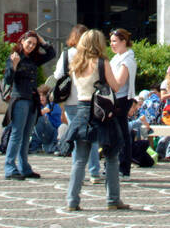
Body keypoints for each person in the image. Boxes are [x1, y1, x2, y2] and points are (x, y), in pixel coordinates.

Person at [62, 28, 129, 211]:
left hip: (82, 110)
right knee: (112, 156)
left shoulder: (76, 64)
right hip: (101, 112)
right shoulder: (102, 62)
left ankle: (72, 200)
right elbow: (114, 86)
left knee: (79, 159)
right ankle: (113, 199)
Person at [2, 29, 56, 180]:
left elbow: (52, 53)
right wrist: (13, 65)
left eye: (34, 44)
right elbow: (7, 79)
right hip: (19, 99)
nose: (31, 46)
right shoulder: (14, 57)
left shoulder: (34, 59)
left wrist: (41, 39)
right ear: (22, 41)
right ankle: (10, 167)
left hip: (32, 100)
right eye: (29, 43)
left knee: (27, 135)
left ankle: (24, 167)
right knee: (17, 134)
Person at [54, 25, 99, 178]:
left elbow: (58, 74)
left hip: (71, 99)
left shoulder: (67, 54)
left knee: (75, 136)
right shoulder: (91, 55)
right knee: (91, 136)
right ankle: (94, 171)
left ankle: (77, 172)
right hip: (88, 100)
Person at [109, 28, 137, 178]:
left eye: (115, 41)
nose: (112, 44)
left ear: (123, 42)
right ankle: (115, 165)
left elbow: (119, 82)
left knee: (121, 134)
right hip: (114, 98)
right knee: (116, 133)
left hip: (121, 99)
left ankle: (123, 167)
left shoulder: (127, 60)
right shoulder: (116, 58)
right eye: (111, 41)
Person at [31, 86, 63, 153]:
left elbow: (41, 112)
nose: (41, 98)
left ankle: (36, 146)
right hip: (44, 134)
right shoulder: (40, 106)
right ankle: (34, 146)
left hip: (53, 133)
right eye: (40, 95)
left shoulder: (53, 105)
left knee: (37, 117)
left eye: (43, 95)